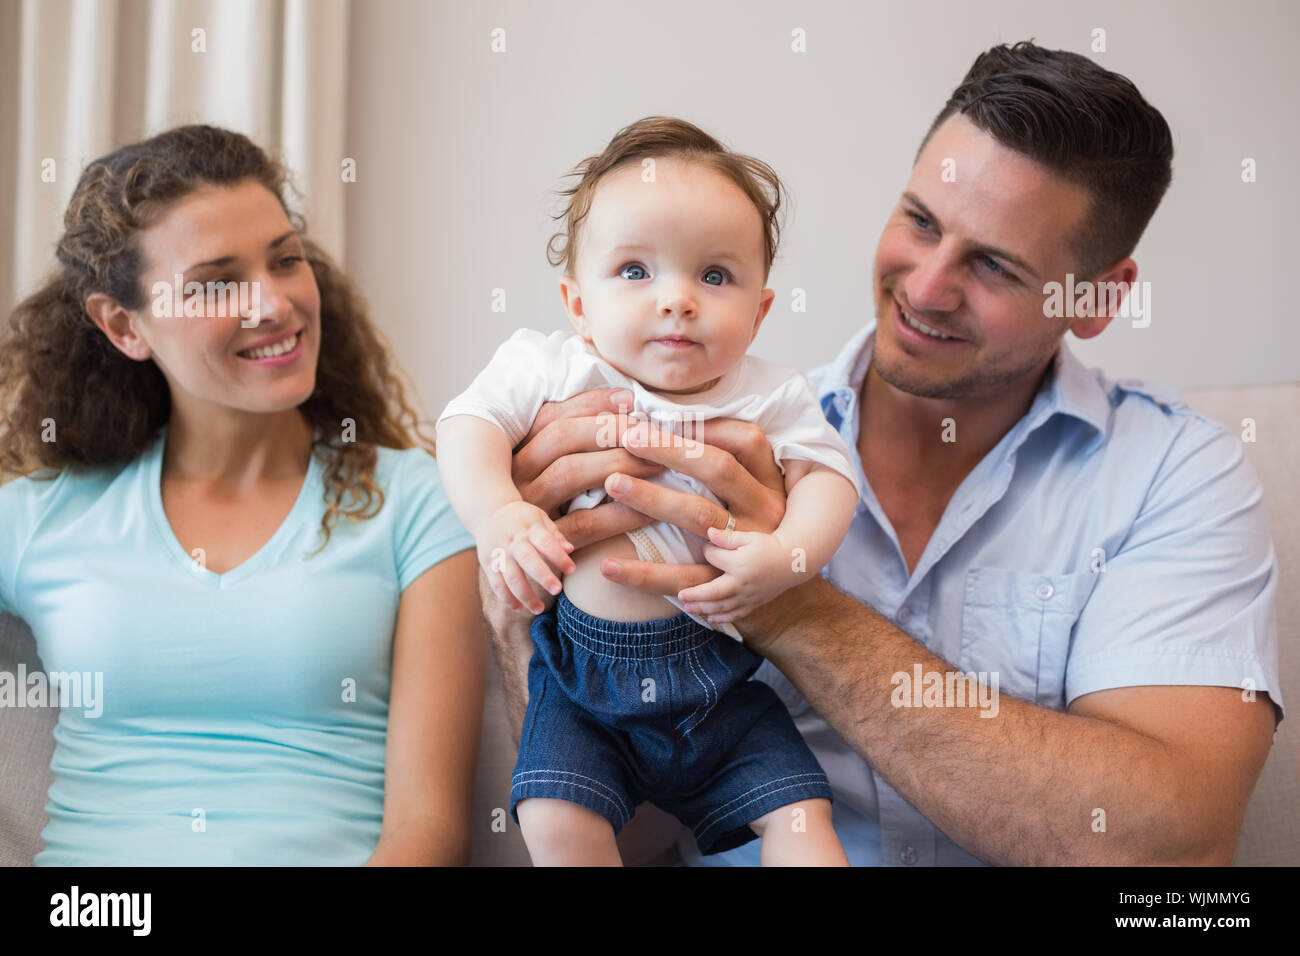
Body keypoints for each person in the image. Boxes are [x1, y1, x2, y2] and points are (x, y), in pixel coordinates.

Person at [479, 42, 1283, 866]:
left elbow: (1165, 850)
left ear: (1098, 299)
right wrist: (531, 610)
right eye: (921, 222)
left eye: (995, 265)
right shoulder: (670, 416)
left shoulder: (1175, 475)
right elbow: (632, 837)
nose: (927, 288)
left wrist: (788, 605)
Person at [0, 125, 484, 865]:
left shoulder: (417, 504)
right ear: (124, 325)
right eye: (218, 282)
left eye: (286, 260)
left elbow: (425, 829)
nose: (276, 303)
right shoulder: (40, 518)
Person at [437, 117, 859, 865]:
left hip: (719, 688)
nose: (677, 299)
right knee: (552, 810)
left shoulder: (768, 395)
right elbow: (468, 424)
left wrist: (787, 556)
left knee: (801, 813)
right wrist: (499, 512)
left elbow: (830, 478)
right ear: (576, 303)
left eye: (715, 276)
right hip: (578, 687)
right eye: (635, 271)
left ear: (761, 309)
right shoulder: (556, 369)